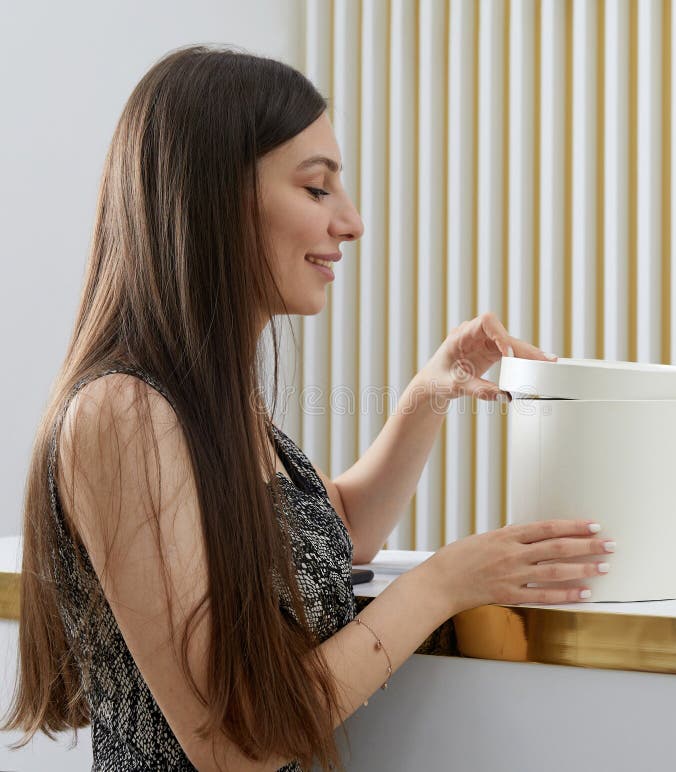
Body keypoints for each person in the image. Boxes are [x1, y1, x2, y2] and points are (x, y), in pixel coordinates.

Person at [2, 45, 615, 771]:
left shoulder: (213, 406)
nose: (351, 223)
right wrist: (445, 582)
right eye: (318, 189)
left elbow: (334, 533)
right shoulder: (123, 415)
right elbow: (234, 742)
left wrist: (431, 389)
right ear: (212, 199)